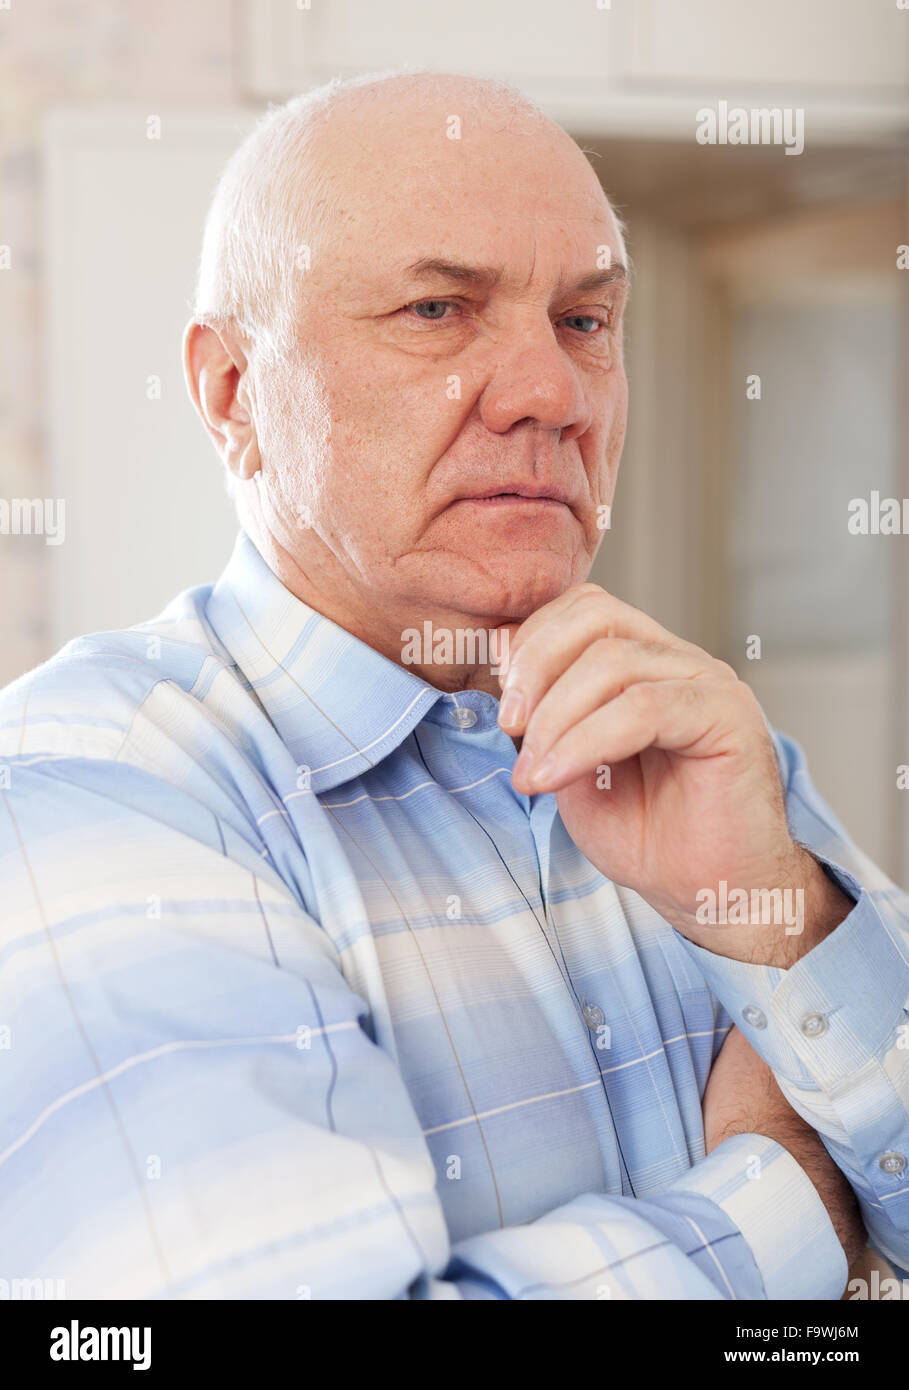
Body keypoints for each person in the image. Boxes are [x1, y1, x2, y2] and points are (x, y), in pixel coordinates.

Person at [1, 70, 906, 1299]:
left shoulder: (710, 757)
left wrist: (785, 921)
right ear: (232, 391)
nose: (553, 396)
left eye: (584, 321)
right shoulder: (83, 798)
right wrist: (794, 1197)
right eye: (437, 310)